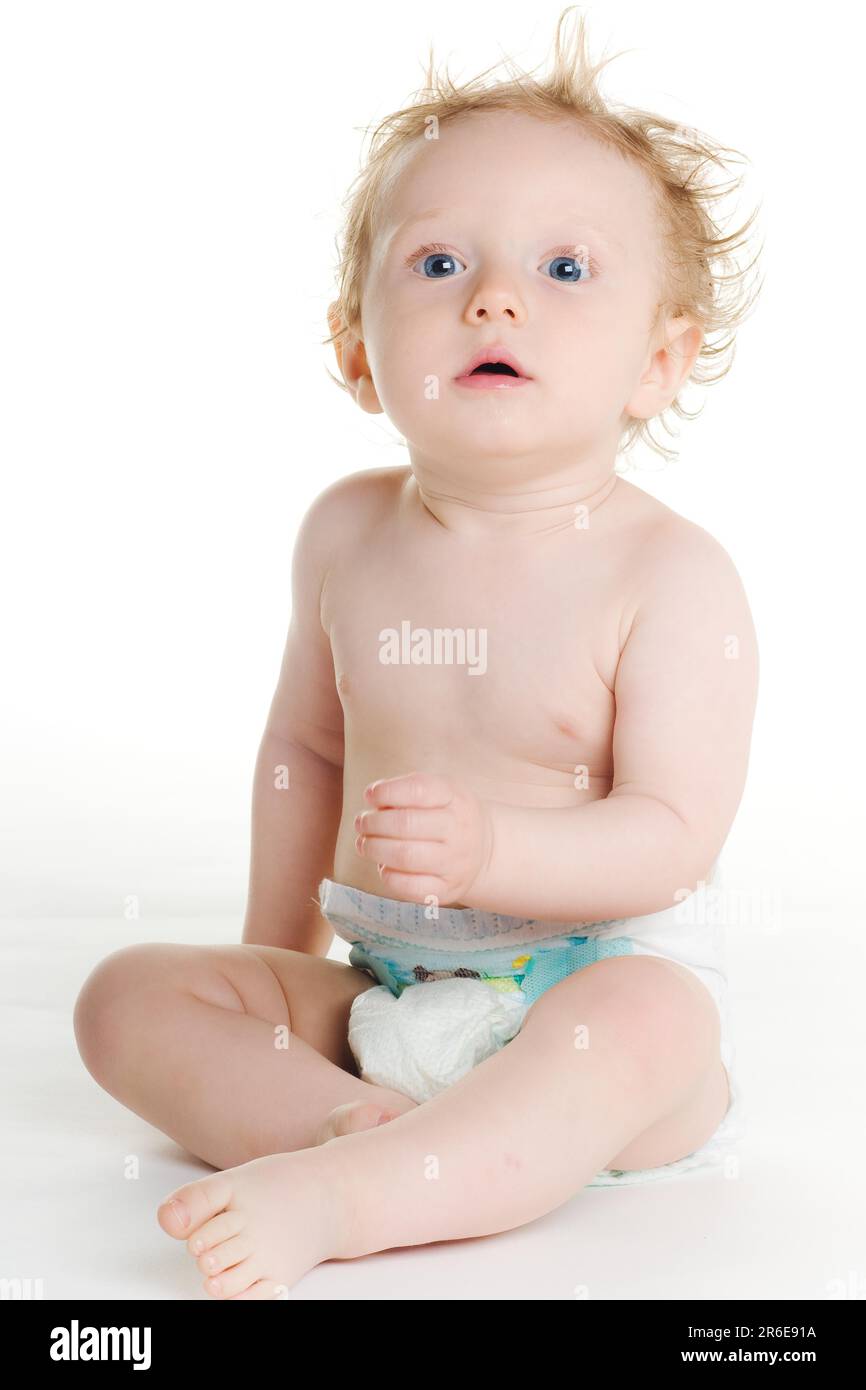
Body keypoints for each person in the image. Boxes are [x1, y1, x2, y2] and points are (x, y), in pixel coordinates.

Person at [73, 6, 762, 1298]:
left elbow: (671, 829)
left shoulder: (666, 573)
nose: (494, 294)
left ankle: (354, 1196)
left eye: (565, 270)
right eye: (438, 262)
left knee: (657, 1026)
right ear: (354, 347)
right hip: (379, 985)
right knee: (124, 996)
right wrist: (271, 962)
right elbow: (305, 749)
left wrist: (500, 852)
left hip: (584, 989)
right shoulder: (344, 530)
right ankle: (354, 1130)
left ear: (657, 360)